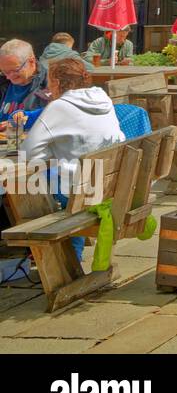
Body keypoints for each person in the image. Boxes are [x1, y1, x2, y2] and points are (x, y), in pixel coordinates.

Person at [15, 57, 125, 263]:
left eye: (49, 81)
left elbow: (29, 153)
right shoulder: (103, 99)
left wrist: (52, 154)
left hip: (80, 192)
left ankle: (65, 262)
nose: (48, 86)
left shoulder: (59, 107)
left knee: (30, 187)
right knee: (60, 180)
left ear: (56, 82)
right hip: (109, 186)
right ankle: (72, 258)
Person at [0, 39, 50, 129]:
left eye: (15, 70)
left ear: (31, 61)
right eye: (4, 72)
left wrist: (18, 123)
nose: (8, 77)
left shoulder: (51, 83)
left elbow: (55, 115)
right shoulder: (3, 82)